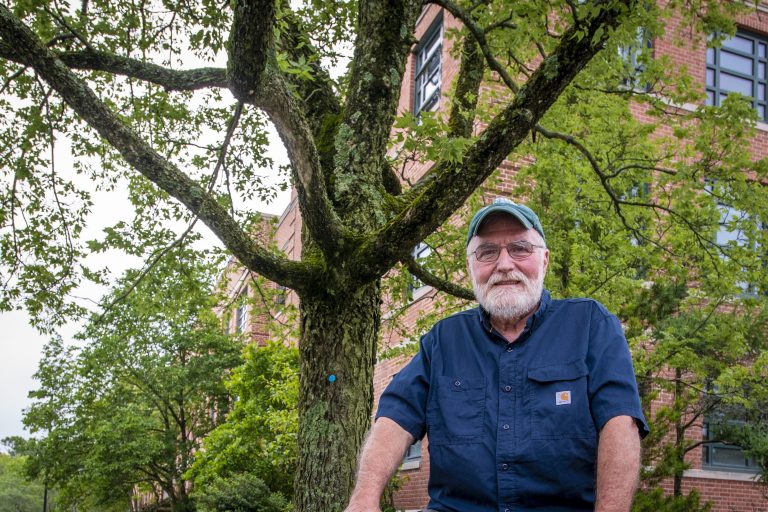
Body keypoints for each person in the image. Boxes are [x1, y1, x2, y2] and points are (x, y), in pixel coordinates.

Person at [344, 197, 649, 512]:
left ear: (544, 260)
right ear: (471, 266)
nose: (504, 264)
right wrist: (364, 499)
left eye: (520, 248)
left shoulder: (589, 324)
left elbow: (620, 420)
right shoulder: (442, 341)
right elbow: (395, 416)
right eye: (487, 252)